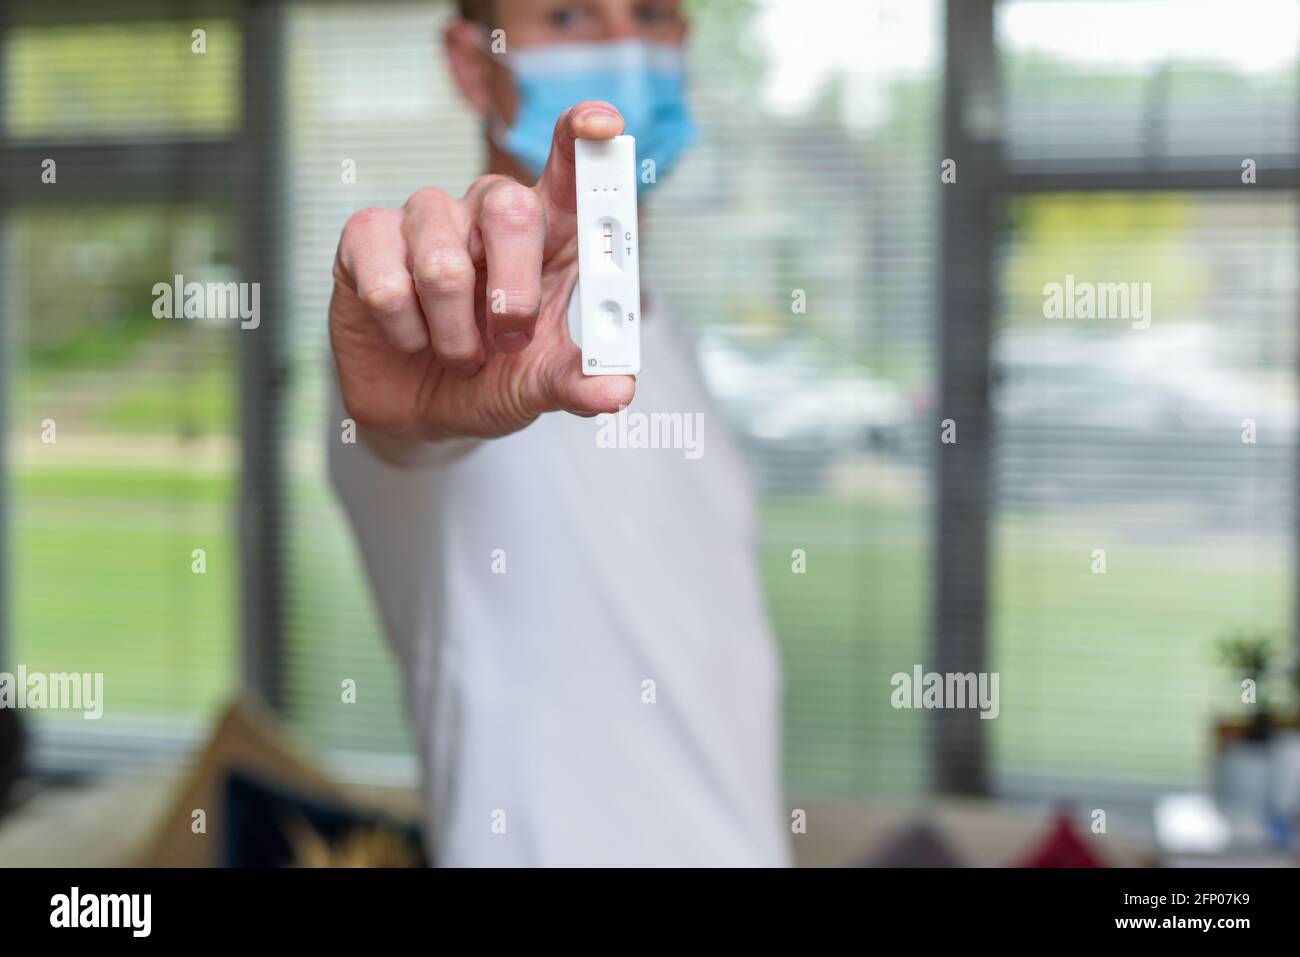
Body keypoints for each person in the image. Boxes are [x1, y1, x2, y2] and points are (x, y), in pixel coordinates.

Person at [328, 0, 789, 866]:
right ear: (474, 65)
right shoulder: (431, 339)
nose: (623, 50)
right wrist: (423, 367)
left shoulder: (666, 340)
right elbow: (407, 429)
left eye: (650, 14)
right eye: (569, 17)